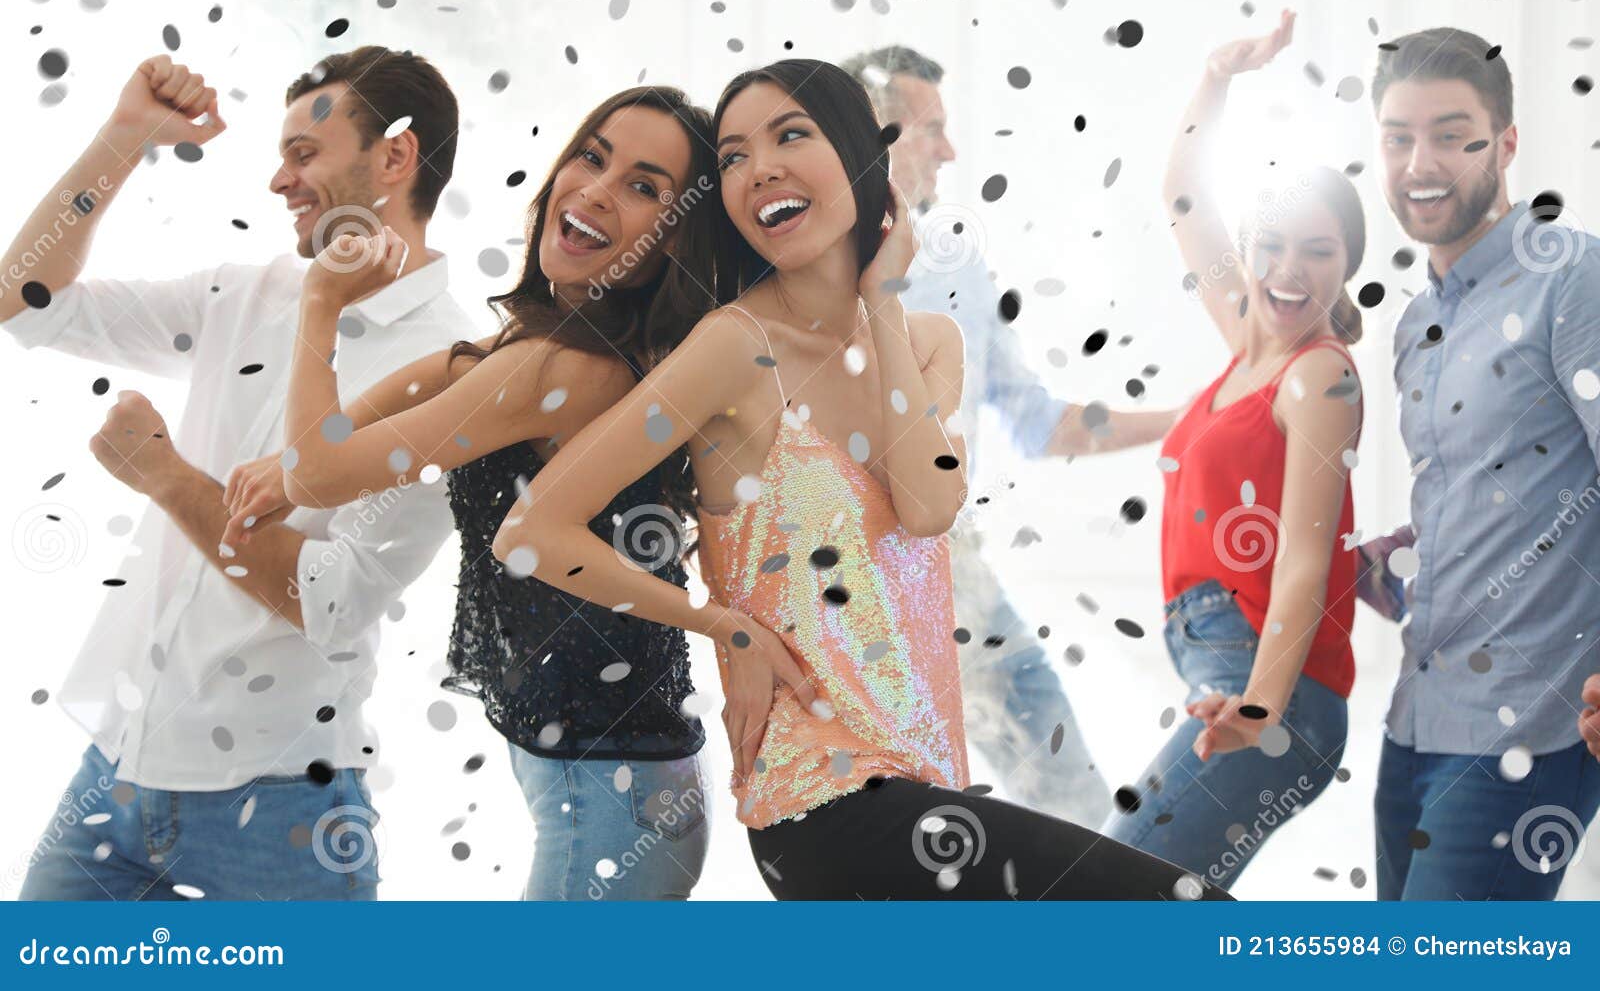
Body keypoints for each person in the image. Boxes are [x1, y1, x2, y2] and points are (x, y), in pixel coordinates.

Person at [493, 57, 1233, 900]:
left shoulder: (929, 340)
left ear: (859, 156)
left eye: (791, 135)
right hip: (825, 803)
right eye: (733, 156)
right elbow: (532, 532)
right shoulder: (732, 347)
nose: (759, 167)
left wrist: (880, 298)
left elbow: (928, 503)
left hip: (928, 786)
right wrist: (722, 625)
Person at [3, 47, 478, 899]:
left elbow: (331, 598)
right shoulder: (246, 293)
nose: (278, 180)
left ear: (395, 156)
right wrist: (124, 137)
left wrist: (164, 476)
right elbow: (26, 300)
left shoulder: (456, 370)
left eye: (304, 153)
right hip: (116, 772)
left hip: (283, 812)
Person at [228, 86, 720, 900]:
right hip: (612, 782)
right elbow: (433, 380)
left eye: (643, 186)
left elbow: (321, 469)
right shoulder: (540, 346)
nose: (598, 189)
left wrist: (322, 303)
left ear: (675, 239)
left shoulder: (560, 368)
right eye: (592, 157)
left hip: (612, 797)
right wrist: (288, 467)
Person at [1094, 11, 1365, 891]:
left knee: (1109, 890)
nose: (1291, 269)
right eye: (1272, 246)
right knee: (1157, 905)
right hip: (1223, 667)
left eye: (1319, 251)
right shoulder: (1247, 343)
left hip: (1273, 691)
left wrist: (1260, 705)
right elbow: (1182, 191)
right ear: (1245, 252)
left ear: (1347, 264)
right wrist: (1216, 77)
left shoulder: (1319, 376)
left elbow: (1304, 560)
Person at [839, 45, 1120, 827]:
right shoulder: (796, 272)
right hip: (852, 585)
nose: (950, 151)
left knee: (1078, 804)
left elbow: (1037, 421)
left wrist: (1199, 414)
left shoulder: (958, 270)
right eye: (930, 128)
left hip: (958, 568)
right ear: (870, 137)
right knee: (909, 821)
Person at [1354, 27, 1600, 900]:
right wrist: (1402, 561)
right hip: (1415, 724)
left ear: (1505, 143)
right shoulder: (1415, 323)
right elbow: (1506, 491)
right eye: (1398, 137)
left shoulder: (1572, 278)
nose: (1420, 162)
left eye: (1452, 135)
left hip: (1525, 733)